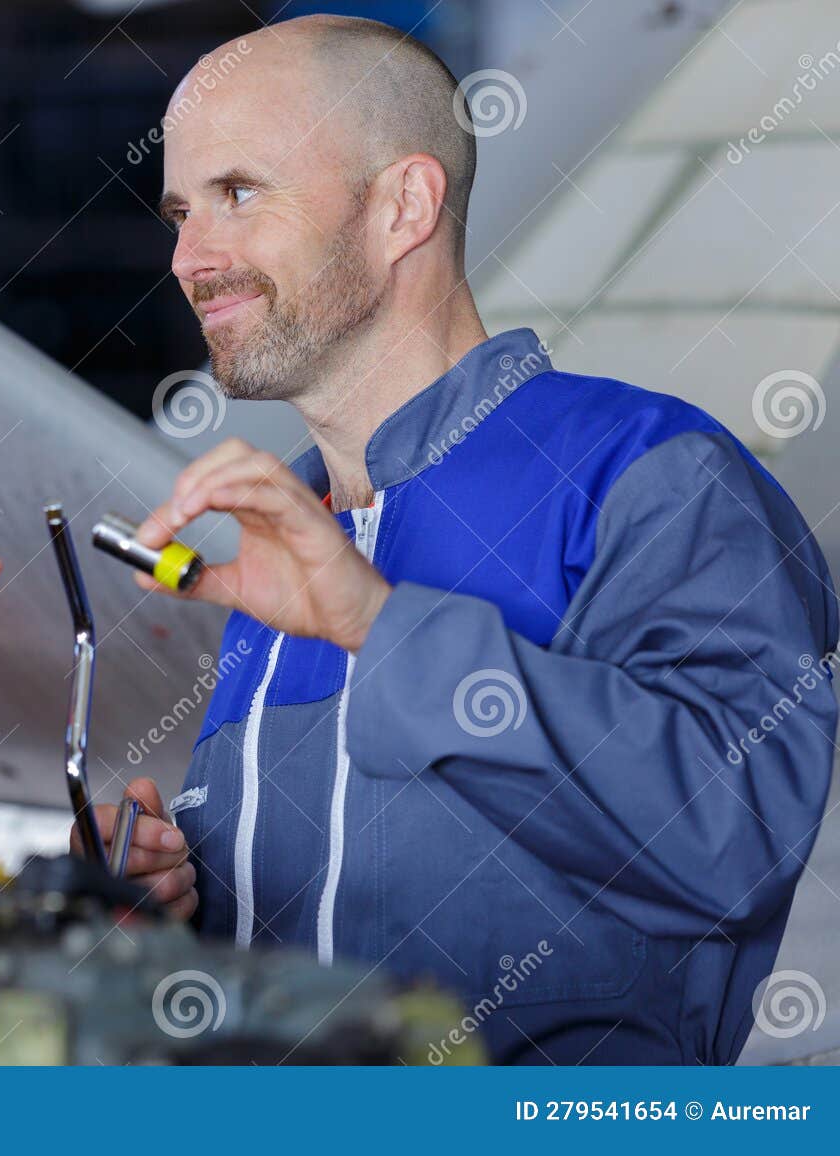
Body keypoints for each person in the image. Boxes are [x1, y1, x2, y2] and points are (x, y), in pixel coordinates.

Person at [88, 14, 838, 1064]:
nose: (188, 257)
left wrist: (380, 626)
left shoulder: (650, 475)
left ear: (403, 205)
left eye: (238, 193)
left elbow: (733, 834)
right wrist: (182, 898)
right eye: (178, 211)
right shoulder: (285, 537)